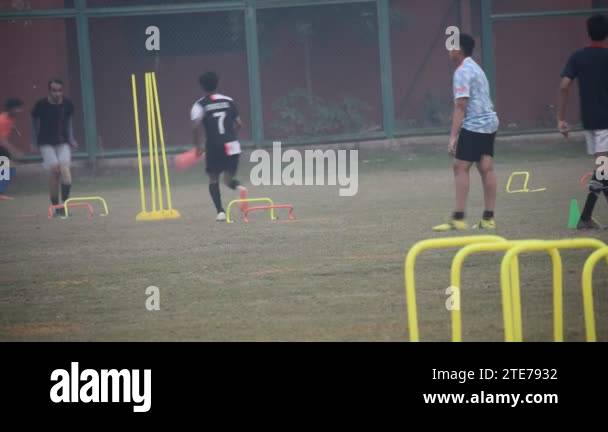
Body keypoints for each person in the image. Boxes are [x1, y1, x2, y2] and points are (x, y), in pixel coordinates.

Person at [433, 33, 500, 232]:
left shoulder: (462, 71)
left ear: (459, 50)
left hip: (476, 124)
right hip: (490, 122)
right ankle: (488, 218)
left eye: (451, 47)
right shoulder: (475, 67)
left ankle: (459, 218)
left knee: (460, 167)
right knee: (486, 167)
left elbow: (460, 106)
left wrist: (453, 136)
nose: (448, 51)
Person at [558, 14, 608, 230]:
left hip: (590, 121)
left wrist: (560, 118)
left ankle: (586, 217)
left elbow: (564, 85)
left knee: (603, 169)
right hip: (606, 122)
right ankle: (585, 217)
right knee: (603, 169)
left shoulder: (578, 57)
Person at [190, 71, 247, 221]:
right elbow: (239, 124)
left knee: (214, 178)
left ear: (202, 86)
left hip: (214, 146)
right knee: (228, 179)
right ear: (217, 84)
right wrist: (230, 135)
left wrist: (198, 146)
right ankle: (240, 188)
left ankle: (220, 212)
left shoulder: (200, 105)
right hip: (232, 145)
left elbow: (196, 126)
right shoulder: (229, 101)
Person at [32, 78, 78, 216]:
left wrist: (71, 138)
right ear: (49, 91)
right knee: (55, 171)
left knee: (65, 171)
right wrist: (33, 141)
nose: (57, 93)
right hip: (46, 143)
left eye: (59, 90)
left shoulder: (67, 104)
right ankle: (55, 205)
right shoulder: (41, 105)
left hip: (63, 142)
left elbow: (69, 122)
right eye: (54, 90)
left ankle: (64, 204)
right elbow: (34, 123)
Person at [0, 98, 25, 200]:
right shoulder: (3, 120)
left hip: (2, 147)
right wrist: (14, 151)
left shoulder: (10, 119)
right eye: (18, 109)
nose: (20, 111)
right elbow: (2, 140)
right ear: (11, 109)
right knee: (8, 168)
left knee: (9, 168)